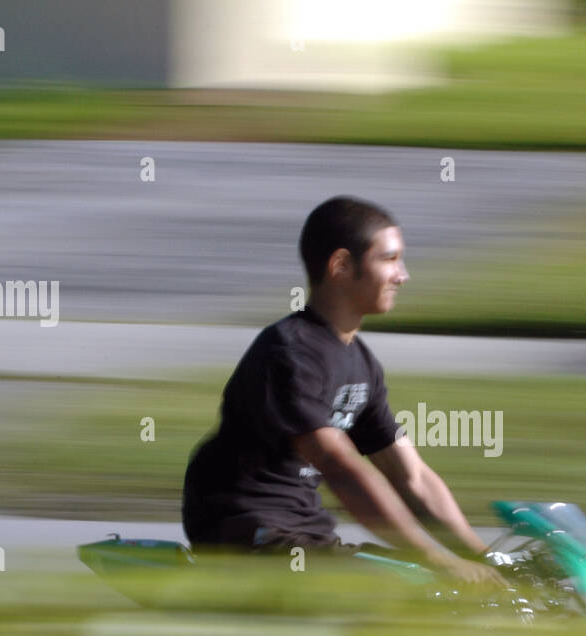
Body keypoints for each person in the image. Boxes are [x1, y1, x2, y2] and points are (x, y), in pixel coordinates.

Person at [182, 196, 504, 587]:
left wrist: (484, 557)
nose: (403, 276)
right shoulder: (290, 353)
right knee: (416, 592)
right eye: (389, 260)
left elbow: (413, 477)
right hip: (249, 534)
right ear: (340, 266)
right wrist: (439, 560)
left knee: (445, 589)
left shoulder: (361, 363)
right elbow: (341, 468)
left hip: (304, 536)